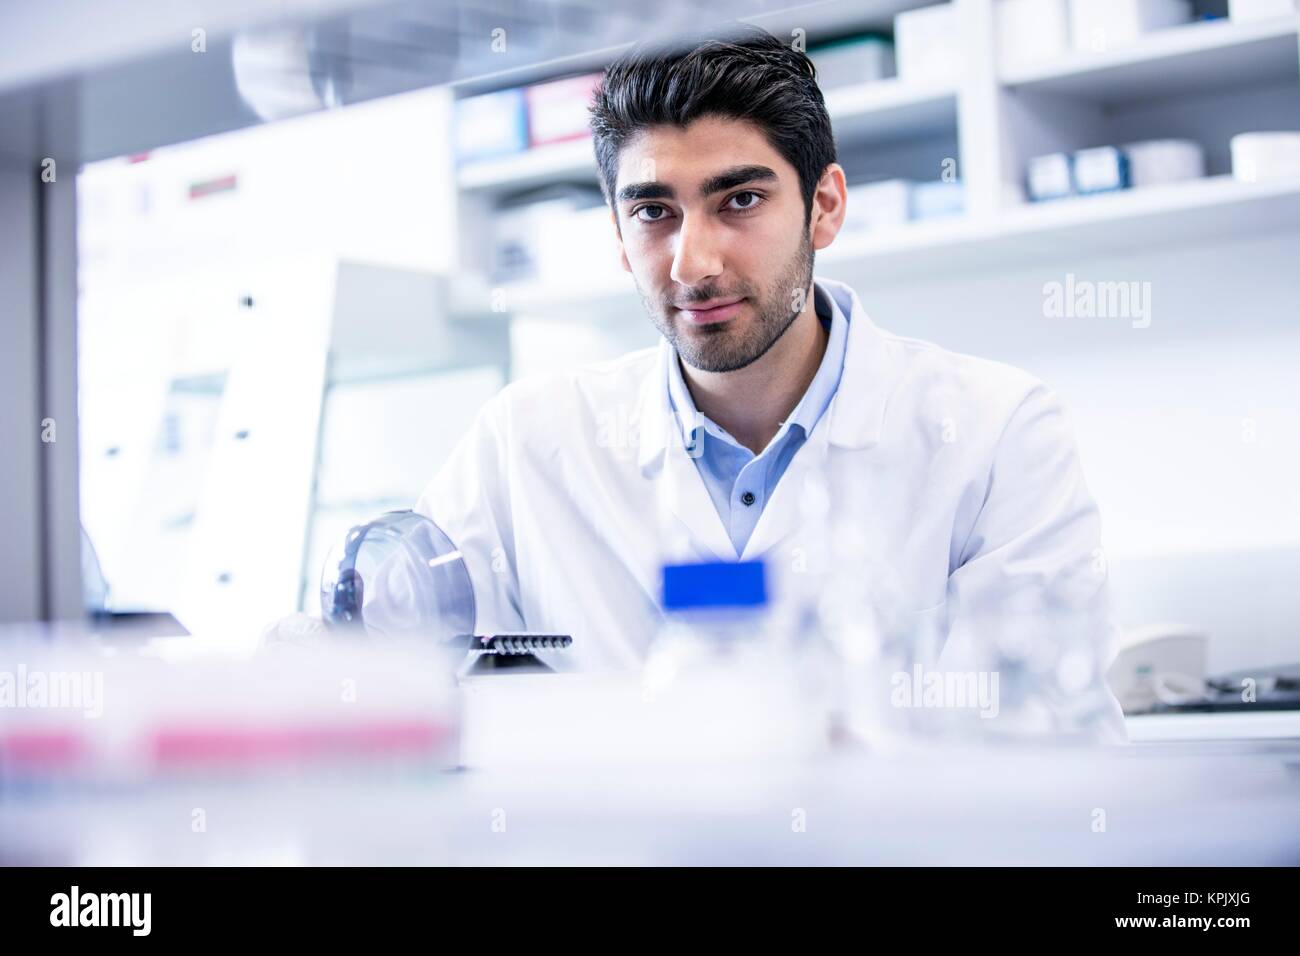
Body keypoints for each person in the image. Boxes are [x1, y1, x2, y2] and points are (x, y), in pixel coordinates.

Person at [279, 26, 1127, 740]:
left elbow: (1049, 748)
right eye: (654, 212)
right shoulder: (525, 442)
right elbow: (387, 668)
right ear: (617, 233)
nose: (694, 262)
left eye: (740, 201)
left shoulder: (996, 430)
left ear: (824, 205)